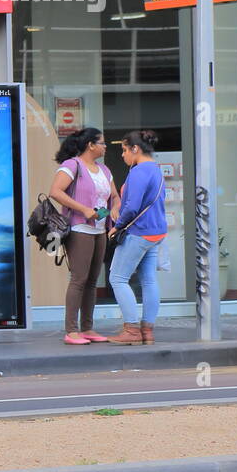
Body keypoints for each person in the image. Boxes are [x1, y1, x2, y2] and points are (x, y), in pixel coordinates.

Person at [48, 127, 120, 345]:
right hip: (79, 228)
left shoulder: (105, 170)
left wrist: (113, 209)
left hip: (99, 229)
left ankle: (88, 328)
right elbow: (55, 192)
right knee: (79, 279)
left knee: (92, 281)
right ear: (91, 145)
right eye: (103, 143)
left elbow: (114, 197)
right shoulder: (72, 165)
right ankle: (71, 330)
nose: (105, 147)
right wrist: (84, 209)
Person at [106, 130, 168, 346]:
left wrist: (117, 226)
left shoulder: (139, 172)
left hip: (139, 232)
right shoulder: (156, 170)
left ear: (135, 149)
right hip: (156, 233)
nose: (122, 155)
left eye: (124, 150)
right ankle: (147, 331)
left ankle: (131, 330)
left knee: (118, 279)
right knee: (149, 280)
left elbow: (132, 206)